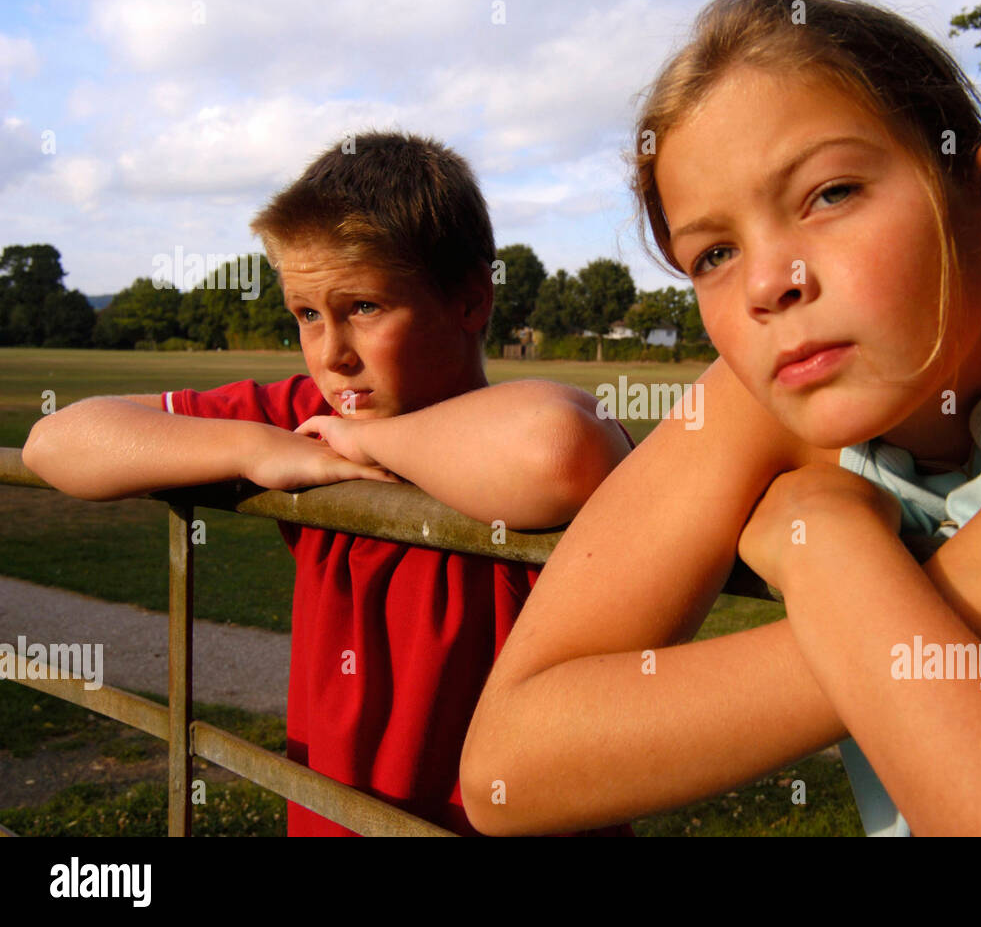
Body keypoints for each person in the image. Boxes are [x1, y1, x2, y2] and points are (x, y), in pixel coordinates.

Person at [460, 0, 981, 836]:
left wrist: (822, 553)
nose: (767, 284)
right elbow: (503, 770)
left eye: (830, 195)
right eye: (713, 252)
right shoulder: (764, 404)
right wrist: (921, 594)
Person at [22, 131, 633, 836]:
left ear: (471, 300)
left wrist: (370, 441)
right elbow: (57, 442)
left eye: (364, 309)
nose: (331, 354)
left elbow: (558, 452)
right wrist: (252, 447)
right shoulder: (299, 421)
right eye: (307, 315)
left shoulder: (498, 420)